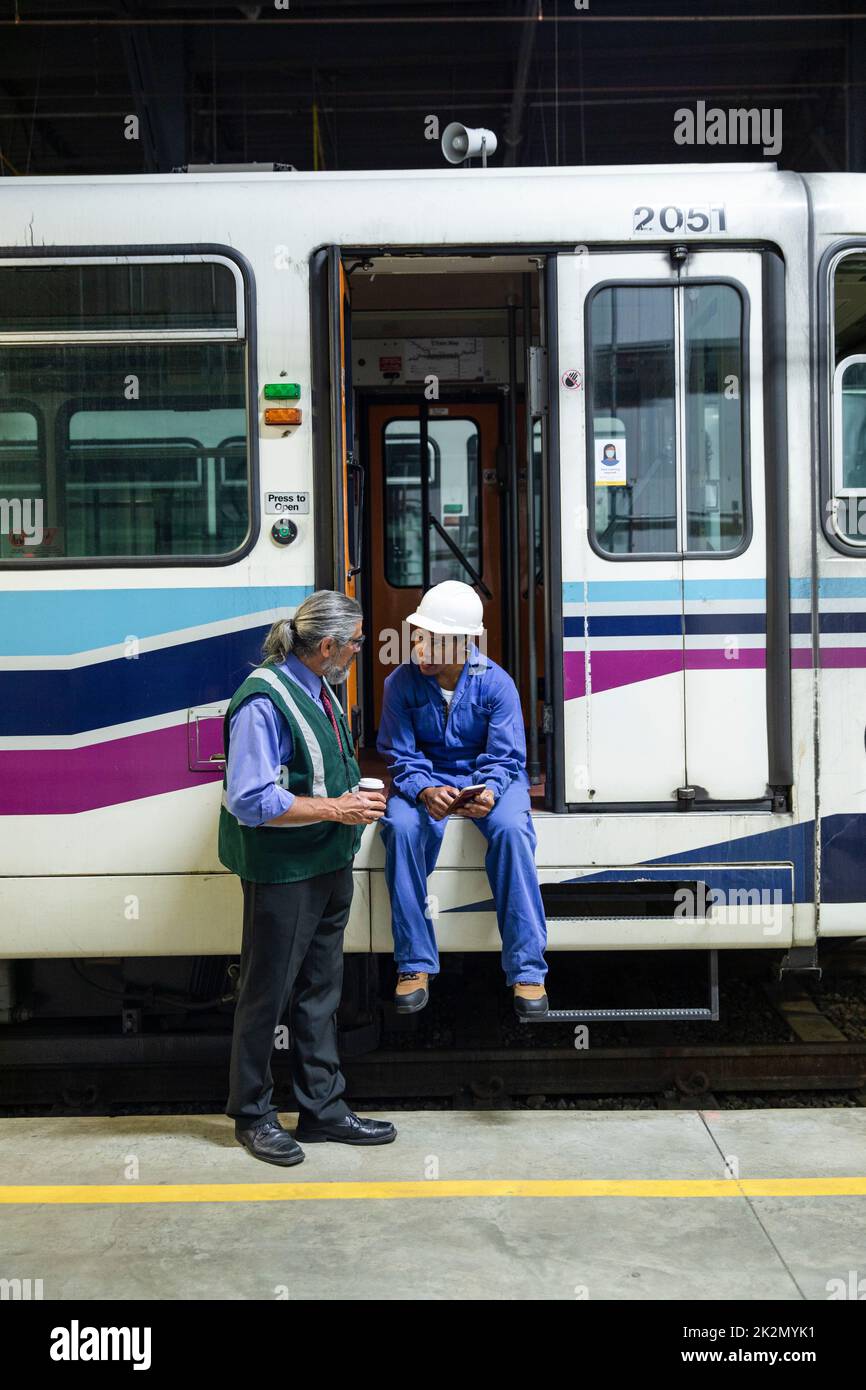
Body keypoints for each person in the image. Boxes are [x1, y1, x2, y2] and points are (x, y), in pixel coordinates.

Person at [219, 590, 395, 1166]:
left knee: (322, 991)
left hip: (326, 862)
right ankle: (252, 1115)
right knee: (265, 995)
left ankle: (322, 1109)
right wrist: (338, 810)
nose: (360, 651)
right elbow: (251, 799)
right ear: (328, 647)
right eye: (356, 643)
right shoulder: (264, 701)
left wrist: (351, 806)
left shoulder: (320, 688)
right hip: (285, 871)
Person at [377, 580, 549, 1018]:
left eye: (431, 639)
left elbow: (507, 755)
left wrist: (489, 789)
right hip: (427, 778)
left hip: (485, 778)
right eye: (417, 635)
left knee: (512, 831)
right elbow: (398, 752)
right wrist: (423, 789)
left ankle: (528, 970)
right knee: (399, 827)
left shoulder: (496, 684)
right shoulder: (400, 683)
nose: (419, 647)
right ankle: (414, 963)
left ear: (463, 643)